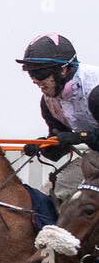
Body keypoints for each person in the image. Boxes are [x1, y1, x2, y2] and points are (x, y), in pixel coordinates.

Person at [18, 34, 99, 202]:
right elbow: (60, 150)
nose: (34, 80)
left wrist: (81, 137)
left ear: (63, 69)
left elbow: (79, 138)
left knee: (65, 186)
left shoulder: (95, 92)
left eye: (39, 72)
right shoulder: (49, 102)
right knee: (51, 190)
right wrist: (44, 145)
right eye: (31, 72)